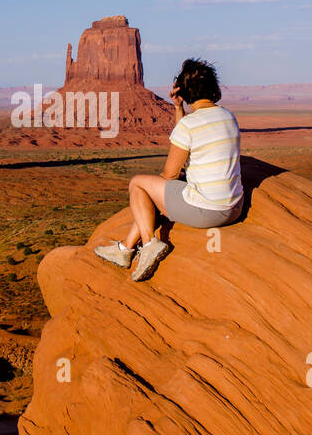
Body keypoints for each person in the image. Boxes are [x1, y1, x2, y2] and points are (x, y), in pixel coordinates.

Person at [95, 57, 243, 281]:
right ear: (213, 87)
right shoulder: (228, 116)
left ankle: (149, 245)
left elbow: (170, 174)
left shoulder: (189, 125)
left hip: (209, 212)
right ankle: (124, 249)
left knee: (138, 184)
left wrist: (159, 187)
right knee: (162, 188)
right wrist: (178, 108)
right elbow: (189, 137)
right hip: (234, 207)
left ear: (182, 90)